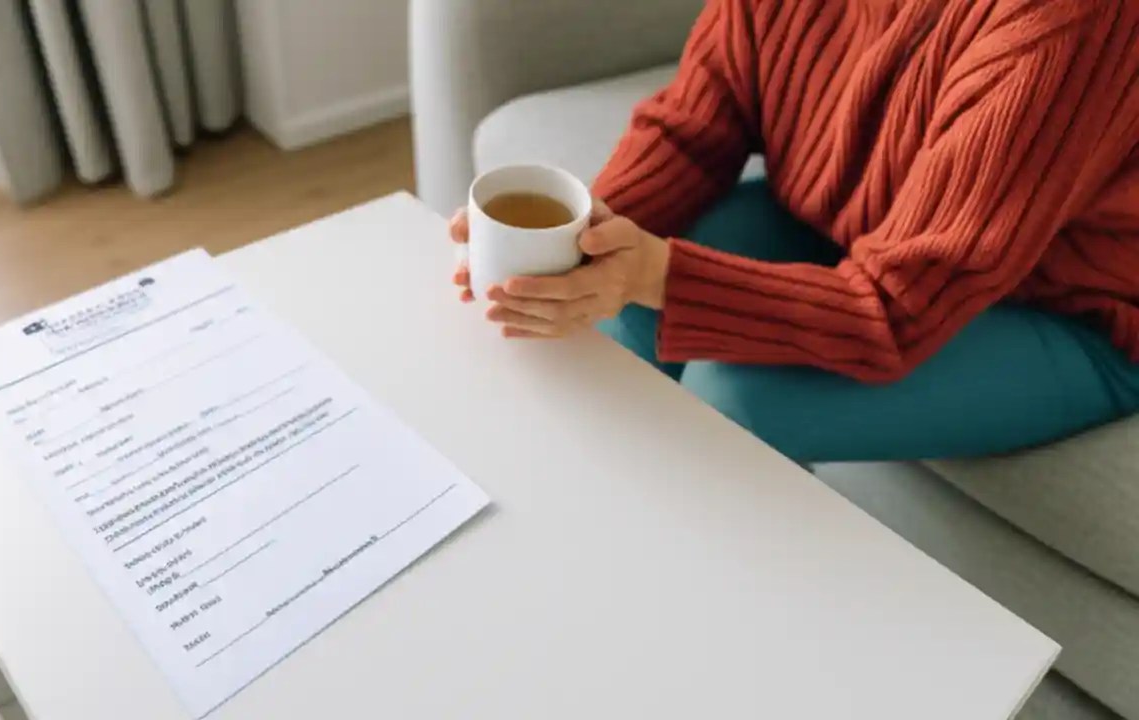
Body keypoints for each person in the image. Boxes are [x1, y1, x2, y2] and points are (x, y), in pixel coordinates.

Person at [448, 0, 1139, 465]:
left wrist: (655, 273)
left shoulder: (1067, 25)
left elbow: (892, 313)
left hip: (1063, 306)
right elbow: (697, 124)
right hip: (857, 232)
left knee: (737, 399)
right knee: (616, 317)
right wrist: (577, 244)